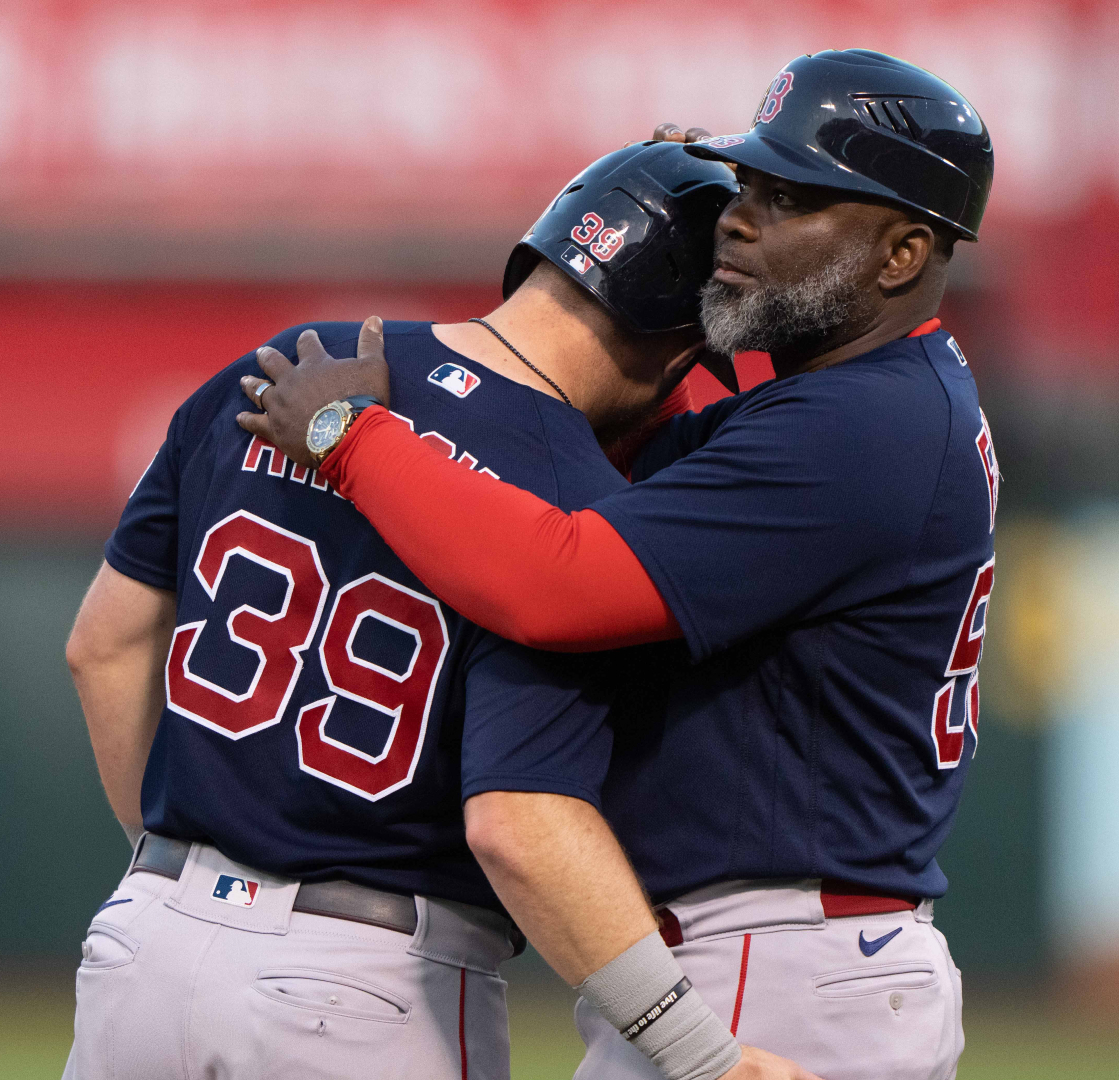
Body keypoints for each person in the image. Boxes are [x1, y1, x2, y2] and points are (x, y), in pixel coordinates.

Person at [238, 49, 996, 1080]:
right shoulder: (860, 406)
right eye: (745, 186)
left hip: (779, 976)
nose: (740, 217)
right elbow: (628, 473)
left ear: (902, 253)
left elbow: (554, 582)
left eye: (792, 199)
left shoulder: (866, 426)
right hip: (791, 959)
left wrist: (347, 433)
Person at [63, 141, 816, 1080]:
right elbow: (521, 824)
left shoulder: (284, 368)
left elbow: (102, 649)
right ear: (678, 354)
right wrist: (705, 1060)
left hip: (143, 943)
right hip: (364, 983)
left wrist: (191, 877)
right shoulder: (573, 513)